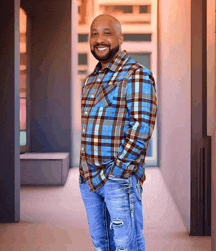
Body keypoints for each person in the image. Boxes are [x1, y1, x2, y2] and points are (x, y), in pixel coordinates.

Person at [79, 14, 158, 251]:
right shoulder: (90, 80)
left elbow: (141, 127)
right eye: (94, 33)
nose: (99, 39)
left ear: (120, 38)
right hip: (90, 180)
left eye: (106, 32)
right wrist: (84, 172)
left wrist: (118, 172)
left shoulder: (136, 74)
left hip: (117, 179)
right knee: (101, 244)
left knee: (127, 246)